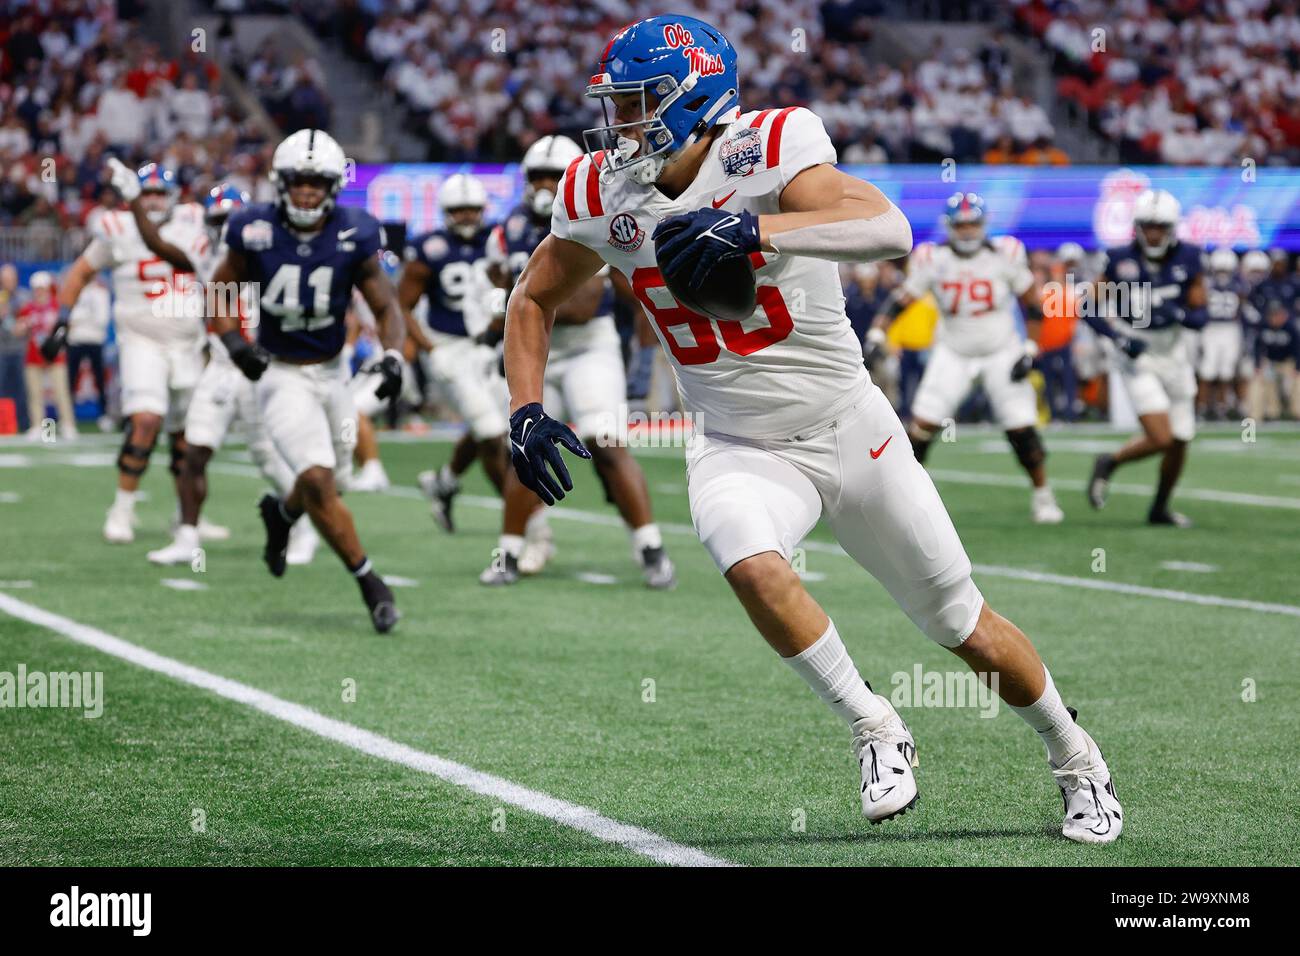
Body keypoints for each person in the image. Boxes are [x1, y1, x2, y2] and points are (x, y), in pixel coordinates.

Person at [500, 15, 1122, 842]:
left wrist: (756, 227)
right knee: (751, 566)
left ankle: (1077, 758)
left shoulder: (770, 145)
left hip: (848, 427)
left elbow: (889, 228)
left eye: (640, 104)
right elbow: (533, 297)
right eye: (618, 104)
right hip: (738, 442)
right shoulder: (596, 192)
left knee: (959, 624)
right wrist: (526, 406)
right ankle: (874, 725)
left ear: (695, 101)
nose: (621, 124)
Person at [208, 128, 405, 633]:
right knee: (318, 479)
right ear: (281, 182)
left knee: (331, 481)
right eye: (298, 181)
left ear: (333, 187)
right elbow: (218, 293)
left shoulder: (354, 231)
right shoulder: (252, 228)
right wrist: (234, 345)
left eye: (317, 183)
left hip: (334, 373)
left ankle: (281, 514)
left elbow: (385, 305)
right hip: (280, 374)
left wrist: (392, 356)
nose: (307, 192)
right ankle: (370, 583)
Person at [478, 135, 675, 588]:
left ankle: (650, 546)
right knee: (525, 448)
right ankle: (507, 552)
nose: (546, 184)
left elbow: (583, 305)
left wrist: (521, 305)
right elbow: (498, 288)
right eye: (538, 177)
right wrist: (506, 323)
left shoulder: (591, 214)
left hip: (588, 346)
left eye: (554, 175)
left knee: (606, 442)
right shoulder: (507, 229)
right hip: (539, 348)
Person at [103, 165, 319, 568]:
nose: (224, 229)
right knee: (193, 452)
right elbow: (157, 245)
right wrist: (134, 199)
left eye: (231, 221)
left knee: (270, 458)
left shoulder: (272, 254)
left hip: (261, 369)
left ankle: (303, 528)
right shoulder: (205, 254)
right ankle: (187, 537)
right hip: (220, 367)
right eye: (218, 221)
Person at [867, 192, 1064, 524]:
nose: (968, 231)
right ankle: (903, 499)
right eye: (962, 224)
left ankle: (1043, 496)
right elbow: (901, 300)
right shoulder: (933, 258)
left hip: (1001, 349)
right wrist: (876, 333)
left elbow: (1033, 304)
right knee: (922, 426)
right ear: (950, 227)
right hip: (953, 351)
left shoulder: (1006, 253)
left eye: (973, 223)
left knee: (1021, 429)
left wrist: (1030, 349)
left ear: (983, 224)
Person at [47, 163, 209, 543]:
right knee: (147, 419)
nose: (152, 200)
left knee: (189, 435)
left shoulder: (193, 223)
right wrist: (63, 319)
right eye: (146, 193)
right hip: (142, 341)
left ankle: (185, 519)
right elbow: (79, 273)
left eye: (159, 193)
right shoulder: (117, 229)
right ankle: (122, 508)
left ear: (173, 197)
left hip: (188, 344)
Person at [1085, 189, 1207, 527]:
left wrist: (1178, 312)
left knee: (1182, 438)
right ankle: (1110, 461)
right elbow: (1087, 306)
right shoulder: (1118, 258)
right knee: (1162, 437)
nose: (1153, 233)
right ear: (1138, 227)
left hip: (1173, 350)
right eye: (1148, 226)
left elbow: (1201, 314)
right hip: (1135, 353)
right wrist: (1118, 338)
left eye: (1160, 226)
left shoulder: (1190, 257)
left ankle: (1160, 508)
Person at [398, 173, 508, 532]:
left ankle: (444, 482)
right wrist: (430, 347)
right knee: (491, 434)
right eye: (458, 210)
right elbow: (402, 306)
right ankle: (523, 519)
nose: (465, 216)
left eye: (471, 210)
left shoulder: (498, 242)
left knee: (492, 427)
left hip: (489, 346)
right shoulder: (428, 248)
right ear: (446, 212)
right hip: (448, 347)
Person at [22, 271, 77, 440]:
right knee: (35, 394)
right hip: (34, 356)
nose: (39, 291)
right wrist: (24, 325)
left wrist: (58, 343)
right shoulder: (28, 308)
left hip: (55, 357)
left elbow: (69, 327)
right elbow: (18, 329)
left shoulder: (57, 307)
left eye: (42, 288)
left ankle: (67, 425)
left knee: (61, 392)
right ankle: (37, 426)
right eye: (37, 288)